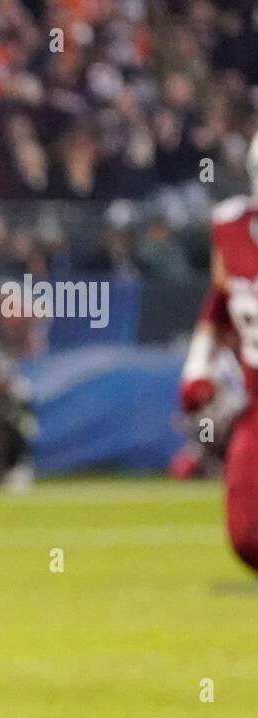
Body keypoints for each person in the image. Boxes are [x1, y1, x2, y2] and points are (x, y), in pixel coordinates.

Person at [179, 130, 258, 574]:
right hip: (256, 396)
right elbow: (219, 304)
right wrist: (197, 368)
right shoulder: (231, 227)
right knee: (247, 533)